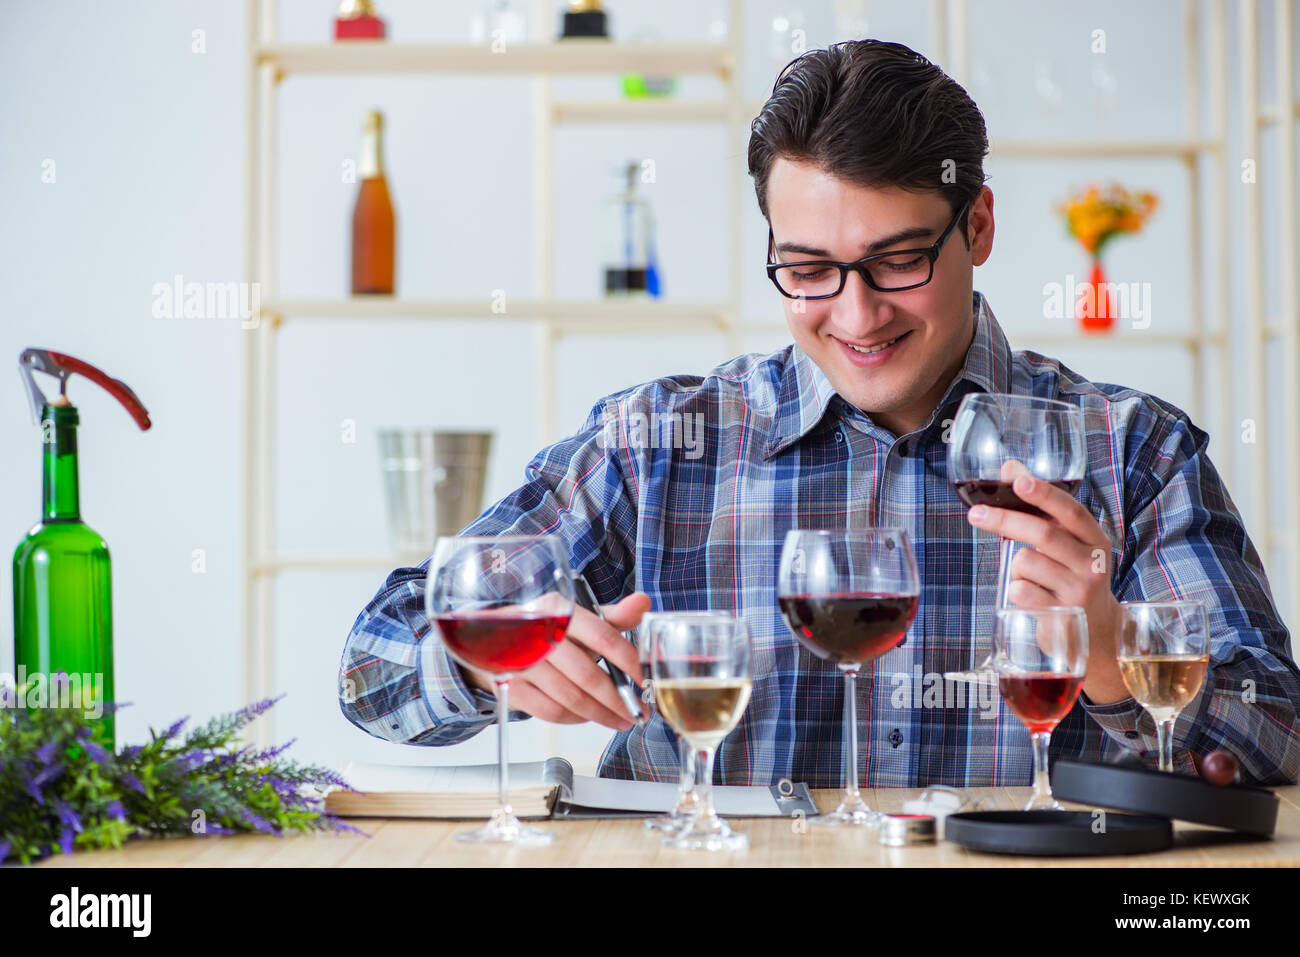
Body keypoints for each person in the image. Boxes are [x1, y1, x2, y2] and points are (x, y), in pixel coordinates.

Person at [340, 39, 1300, 787]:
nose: (856, 314)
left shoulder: (1132, 450)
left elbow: (1281, 733)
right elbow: (370, 664)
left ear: (980, 228)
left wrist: (1113, 656)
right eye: (807, 270)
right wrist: (487, 664)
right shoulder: (657, 445)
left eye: (896, 262)